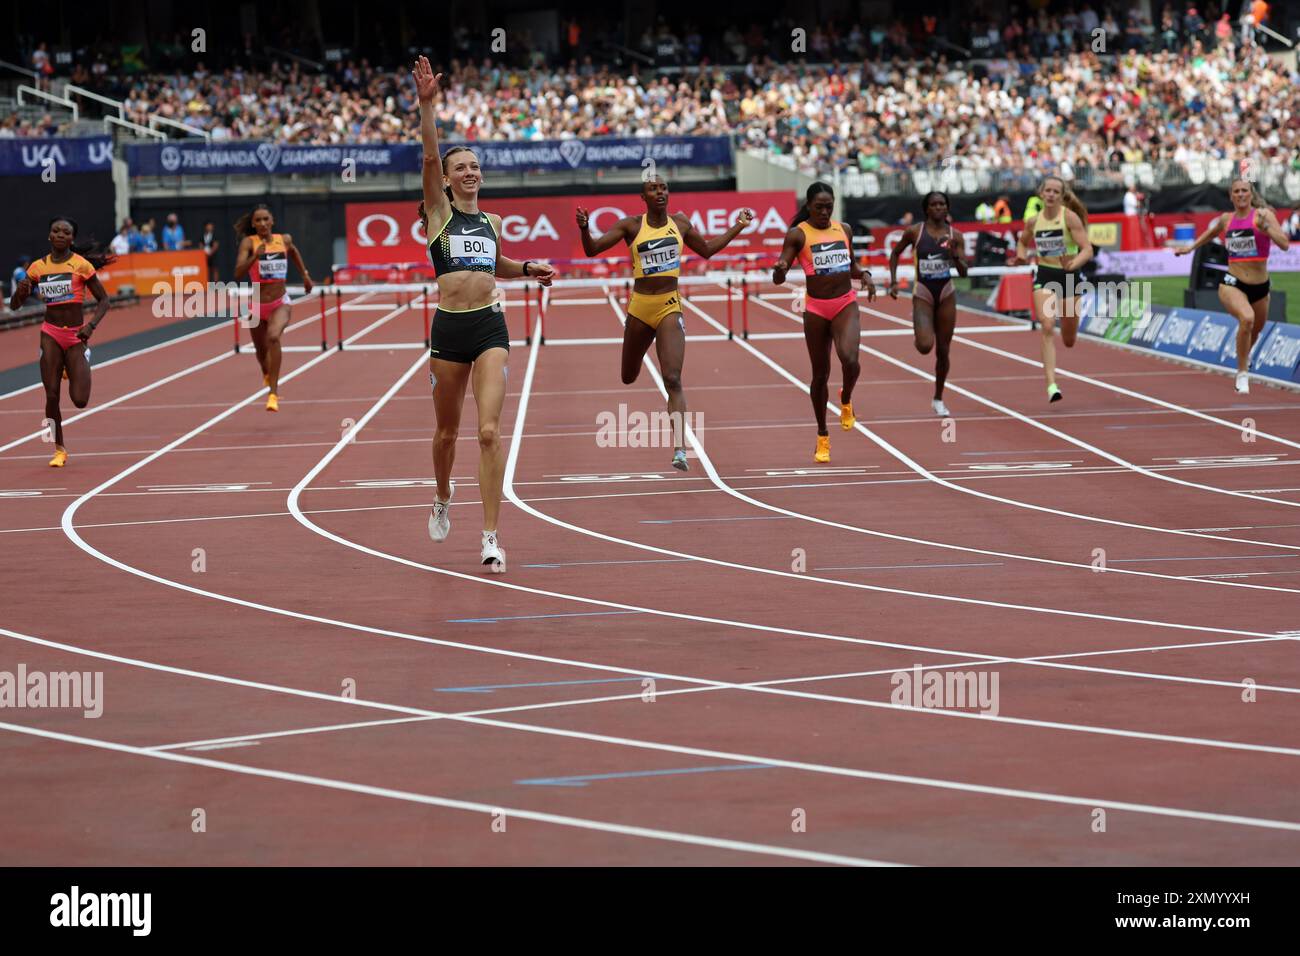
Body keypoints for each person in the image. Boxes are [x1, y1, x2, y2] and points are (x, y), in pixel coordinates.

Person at [414, 55, 555, 573]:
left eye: (475, 166)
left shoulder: (492, 220)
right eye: (461, 168)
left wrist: (529, 268)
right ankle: (443, 494)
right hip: (448, 329)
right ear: (448, 181)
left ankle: (491, 536)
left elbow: (499, 264)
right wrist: (428, 107)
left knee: (490, 432)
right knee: (446, 434)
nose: (470, 172)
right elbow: (429, 159)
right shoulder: (438, 213)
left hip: (489, 325)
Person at [576, 178, 750, 470]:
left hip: (669, 305)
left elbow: (706, 250)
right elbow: (592, 250)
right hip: (640, 308)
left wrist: (738, 226)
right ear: (642, 196)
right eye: (654, 189)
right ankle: (640, 353)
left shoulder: (680, 223)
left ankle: (680, 449)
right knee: (628, 376)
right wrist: (584, 228)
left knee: (673, 378)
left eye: (664, 188)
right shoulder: (630, 226)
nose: (660, 192)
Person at [772, 181, 876, 462]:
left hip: (845, 303)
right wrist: (780, 270)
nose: (824, 212)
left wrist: (864, 274)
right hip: (816, 310)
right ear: (808, 206)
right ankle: (822, 435)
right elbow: (780, 273)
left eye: (829, 206)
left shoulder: (844, 229)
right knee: (820, 375)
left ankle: (845, 399)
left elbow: (850, 264)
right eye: (819, 207)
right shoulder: (798, 235)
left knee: (850, 360)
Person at [7, 217, 112, 467]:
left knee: (80, 400)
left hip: (76, 336)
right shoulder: (37, 268)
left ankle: (79, 361)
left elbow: (104, 300)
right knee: (51, 395)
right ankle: (59, 449)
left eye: (66, 232)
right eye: (56, 231)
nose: (61, 234)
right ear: (49, 236)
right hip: (50, 334)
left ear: (72, 239)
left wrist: (91, 326)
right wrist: (21, 292)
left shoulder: (82, 266)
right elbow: (14, 305)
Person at [1176, 178, 1290, 393]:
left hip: (1261, 286)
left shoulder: (1264, 216)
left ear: (1250, 194)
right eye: (1236, 191)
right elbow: (1210, 234)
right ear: (1231, 196)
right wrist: (1190, 248)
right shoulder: (1226, 219)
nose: (1240, 194)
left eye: (1244, 191)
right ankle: (1242, 374)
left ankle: (1242, 355)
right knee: (1247, 318)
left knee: (1254, 331)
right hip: (1232, 282)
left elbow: (1283, 244)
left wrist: (1267, 229)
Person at [1013, 177, 1093, 403]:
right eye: (1047, 190)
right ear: (1041, 193)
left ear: (1061, 196)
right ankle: (1051, 385)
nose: (1050, 195)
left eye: (1055, 192)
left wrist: (1073, 264)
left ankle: (1067, 338)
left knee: (1068, 338)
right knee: (1047, 326)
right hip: (1045, 275)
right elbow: (1022, 243)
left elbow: (1087, 250)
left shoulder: (1069, 217)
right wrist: (1020, 257)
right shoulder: (1033, 221)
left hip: (1069, 277)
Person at [888, 191, 968, 417]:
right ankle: (921, 328)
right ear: (926, 209)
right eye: (934, 205)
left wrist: (954, 255)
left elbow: (963, 273)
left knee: (943, 350)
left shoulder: (956, 235)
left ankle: (938, 398)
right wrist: (894, 282)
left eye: (942, 204)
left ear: (948, 207)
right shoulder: (915, 232)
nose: (938, 208)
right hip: (923, 292)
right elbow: (895, 254)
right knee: (925, 346)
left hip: (946, 293)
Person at [232, 204, 314, 412]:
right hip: (257, 306)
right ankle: (266, 374)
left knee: (273, 337)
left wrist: (304, 275)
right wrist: (254, 257)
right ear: (253, 224)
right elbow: (238, 273)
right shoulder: (249, 243)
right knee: (261, 353)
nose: (262, 223)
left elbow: (293, 252)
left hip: (280, 303)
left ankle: (273, 394)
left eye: (265, 219)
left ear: (272, 221)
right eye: (257, 220)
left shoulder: (283, 240)